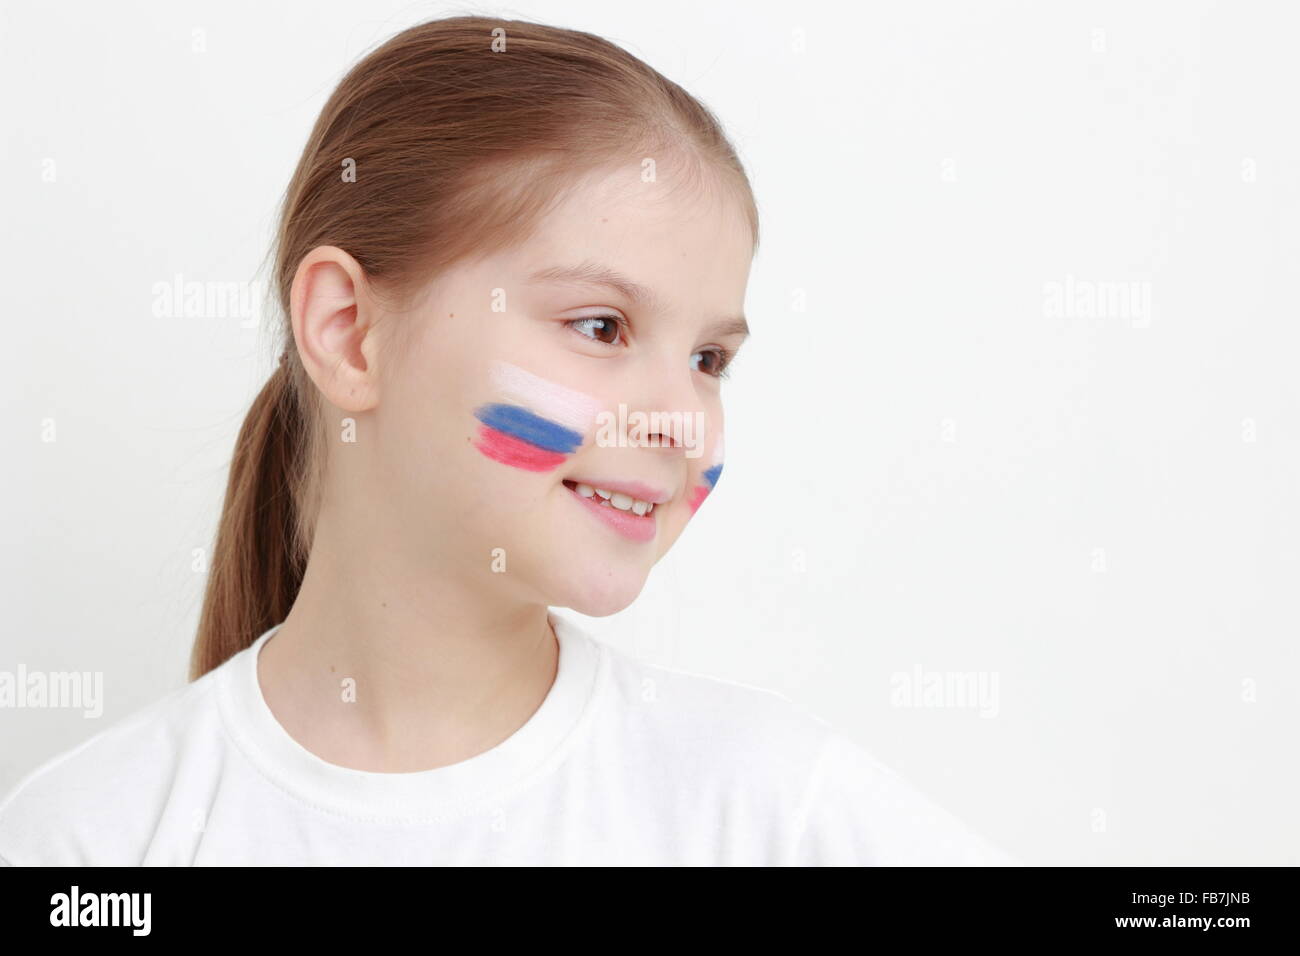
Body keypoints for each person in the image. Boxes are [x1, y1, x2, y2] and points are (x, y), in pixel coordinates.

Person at [0, 15, 1017, 866]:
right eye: (600, 327)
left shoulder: (771, 814)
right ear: (349, 331)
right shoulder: (90, 842)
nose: (680, 418)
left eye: (710, 358)